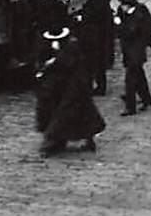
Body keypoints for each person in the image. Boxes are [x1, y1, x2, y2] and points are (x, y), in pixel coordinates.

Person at [35, 26, 105, 155]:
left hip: (73, 85)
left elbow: (69, 64)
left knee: (69, 113)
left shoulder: (72, 47)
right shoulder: (48, 45)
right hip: (57, 86)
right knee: (57, 111)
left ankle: (51, 142)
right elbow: (41, 60)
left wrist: (55, 60)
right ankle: (58, 140)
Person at [113, 0, 151, 115]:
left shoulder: (140, 12)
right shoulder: (122, 11)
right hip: (127, 49)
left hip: (137, 49)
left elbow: (132, 31)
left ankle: (130, 106)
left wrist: (119, 24)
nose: (121, 7)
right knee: (139, 75)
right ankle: (147, 98)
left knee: (130, 78)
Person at [76, 0, 113, 96]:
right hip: (100, 33)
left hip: (96, 34)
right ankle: (100, 86)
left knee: (96, 61)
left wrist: (83, 17)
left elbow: (95, 13)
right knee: (98, 61)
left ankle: (100, 87)